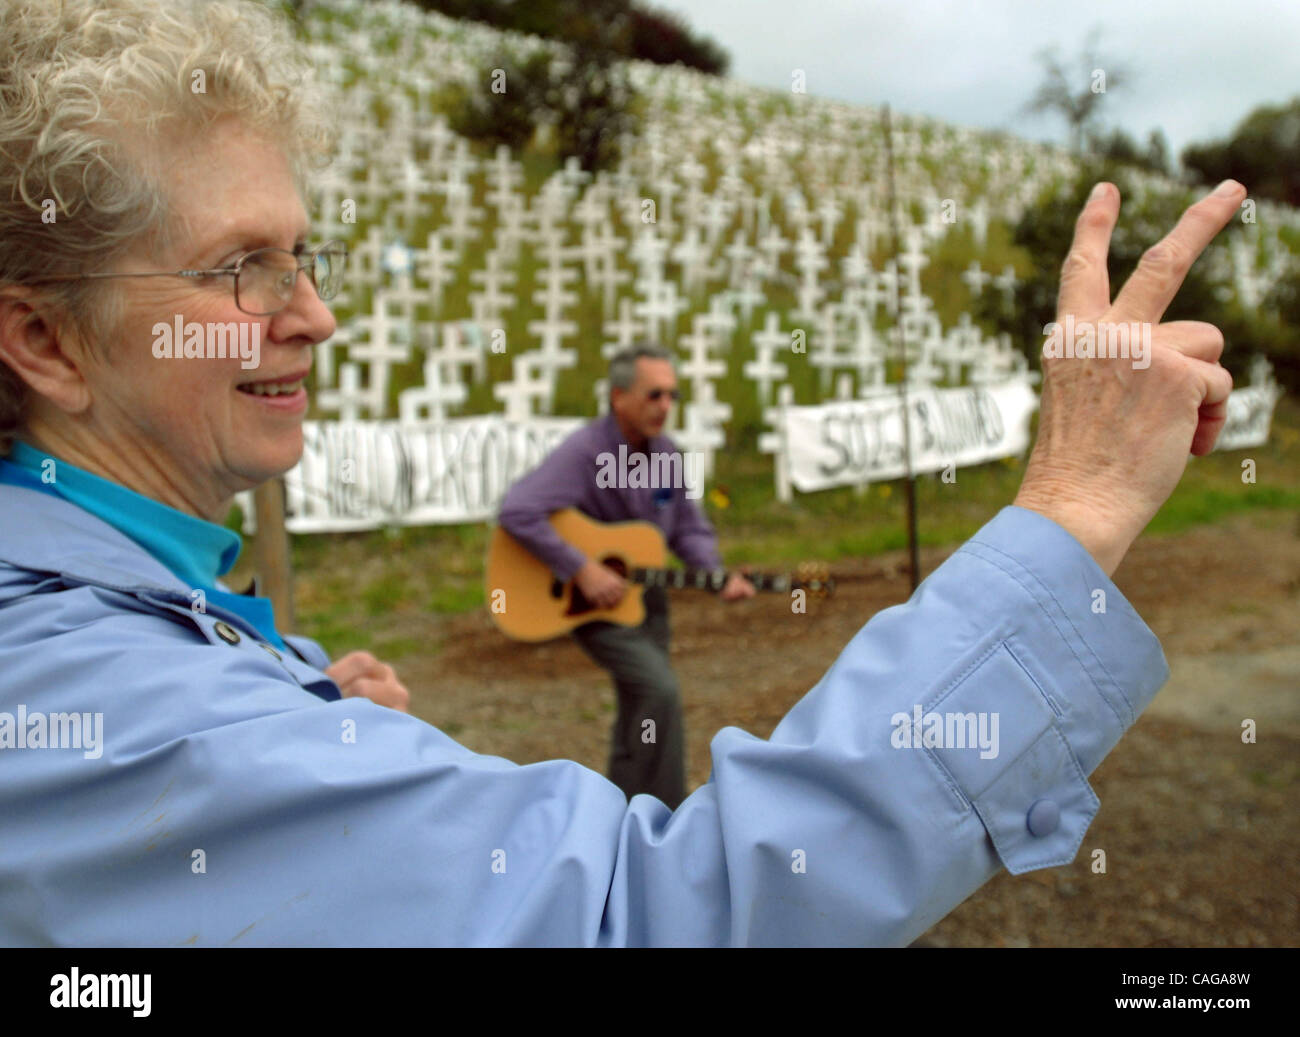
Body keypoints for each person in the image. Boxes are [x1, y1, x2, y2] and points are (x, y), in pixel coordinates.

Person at [0, 0, 1240, 946]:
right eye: (240, 268)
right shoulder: (106, 707)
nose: (315, 315)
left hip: (636, 596)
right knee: (647, 698)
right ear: (46, 341)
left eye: (304, 256)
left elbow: (689, 541)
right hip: (600, 609)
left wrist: (297, 721)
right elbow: (650, 912)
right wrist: (1071, 507)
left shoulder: (138, 641)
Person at [497, 344, 756, 809]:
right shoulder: (584, 452)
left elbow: (689, 528)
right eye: (654, 395)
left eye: (672, 396)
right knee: (660, 691)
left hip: (647, 598)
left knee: (642, 706)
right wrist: (581, 567)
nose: (665, 406)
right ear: (618, 397)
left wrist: (716, 576)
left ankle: (623, 810)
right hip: (591, 604)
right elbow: (518, 510)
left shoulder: (666, 455)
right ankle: (671, 816)